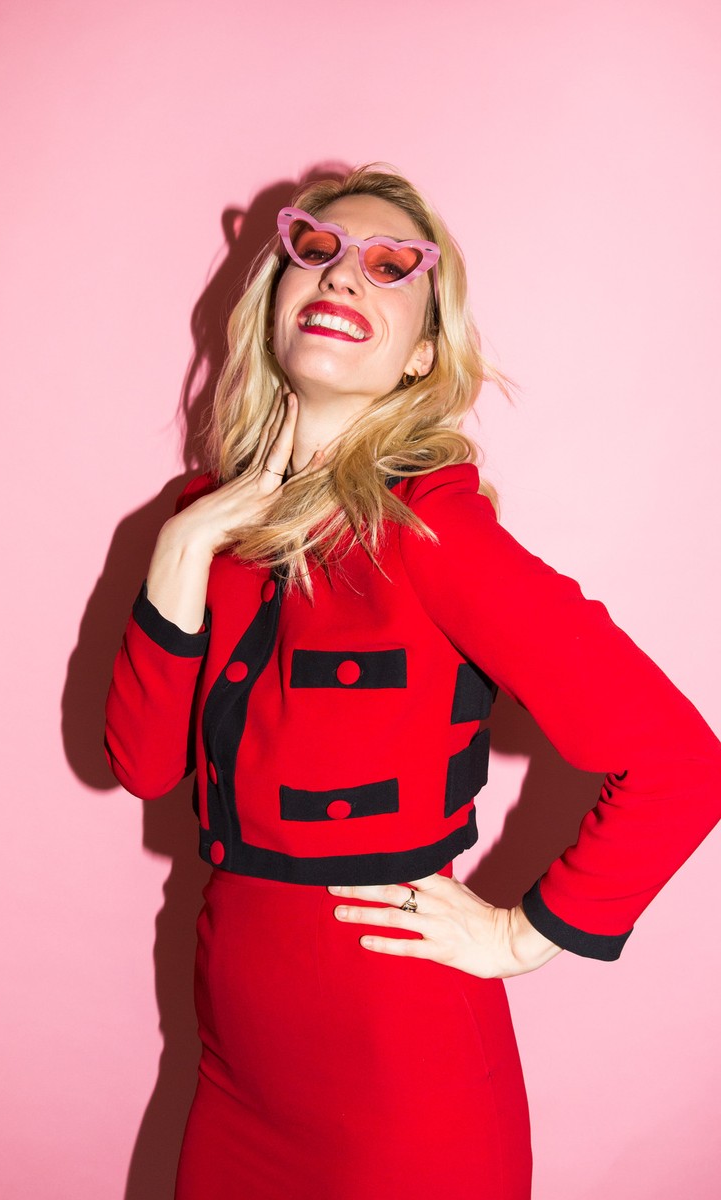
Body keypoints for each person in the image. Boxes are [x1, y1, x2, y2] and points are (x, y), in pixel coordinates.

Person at [104, 165, 721, 1200]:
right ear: (273, 301)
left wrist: (522, 934)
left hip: (405, 1094)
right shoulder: (204, 521)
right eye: (315, 251)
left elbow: (679, 762)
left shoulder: (433, 534)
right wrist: (184, 544)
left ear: (422, 354)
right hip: (234, 1077)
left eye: (391, 267)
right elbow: (144, 764)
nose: (344, 275)